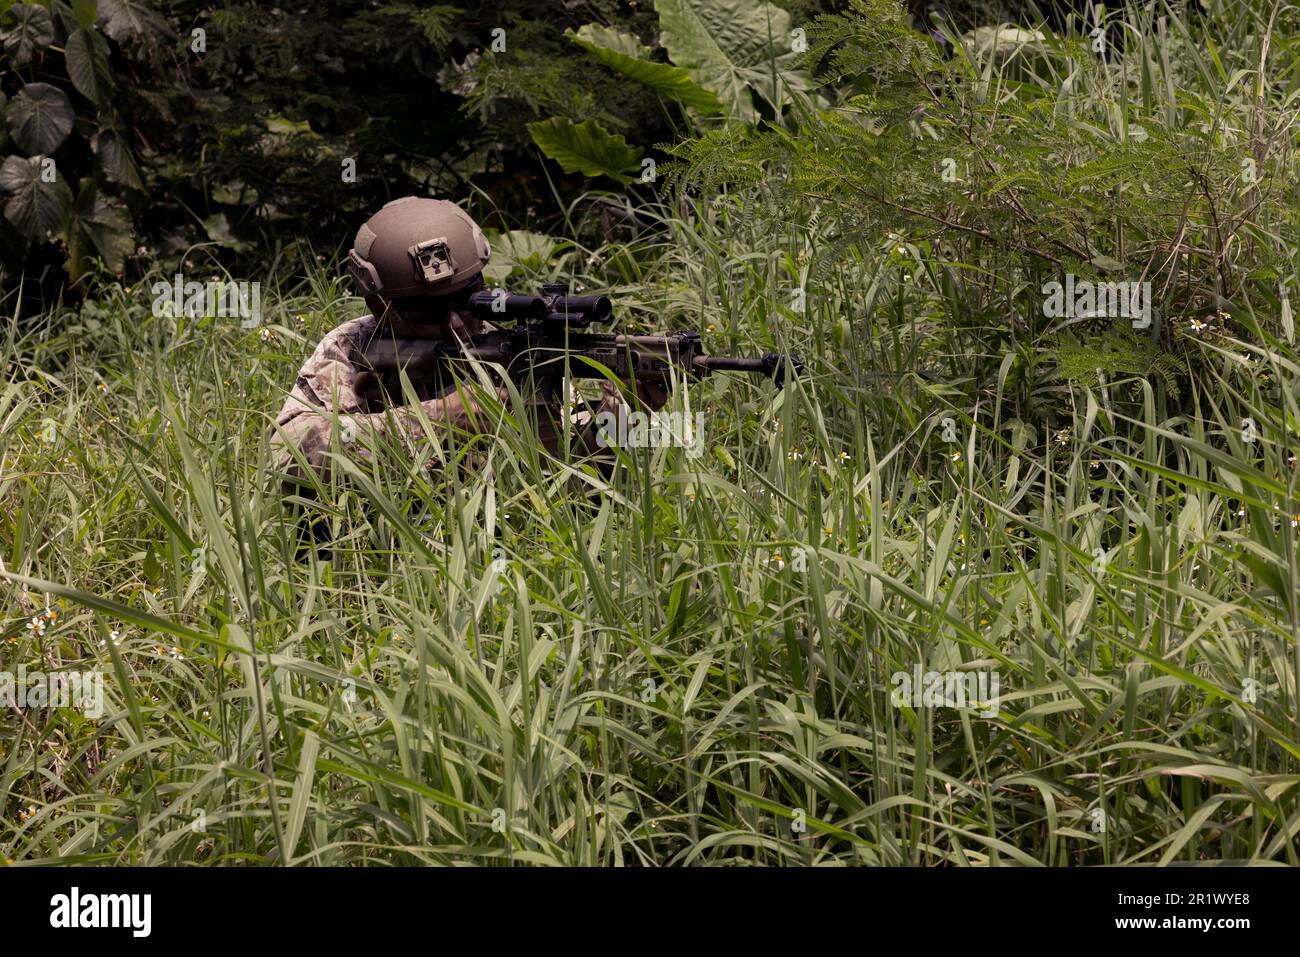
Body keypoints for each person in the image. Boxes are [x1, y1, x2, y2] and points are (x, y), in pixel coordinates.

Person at [271, 196, 665, 492]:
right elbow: (288, 457)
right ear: (378, 304)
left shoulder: (514, 348)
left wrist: (625, 412)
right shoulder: (353, 347)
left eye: (467, 298)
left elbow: (571, 470)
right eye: (427, 311)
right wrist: (436, 419)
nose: (455, 322)